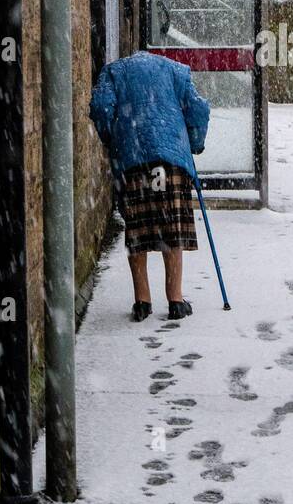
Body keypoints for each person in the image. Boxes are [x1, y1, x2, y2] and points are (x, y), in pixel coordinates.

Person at [89, 51, 210, 323]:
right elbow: (199, 109)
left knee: (137, 228)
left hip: (134, 158)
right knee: (173, 228)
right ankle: (175, 300)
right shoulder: (176, 71)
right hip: (172, 160)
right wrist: (193, 142)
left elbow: (100, 106)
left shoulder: (114, 72)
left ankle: (142, 301)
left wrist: (113, 136)